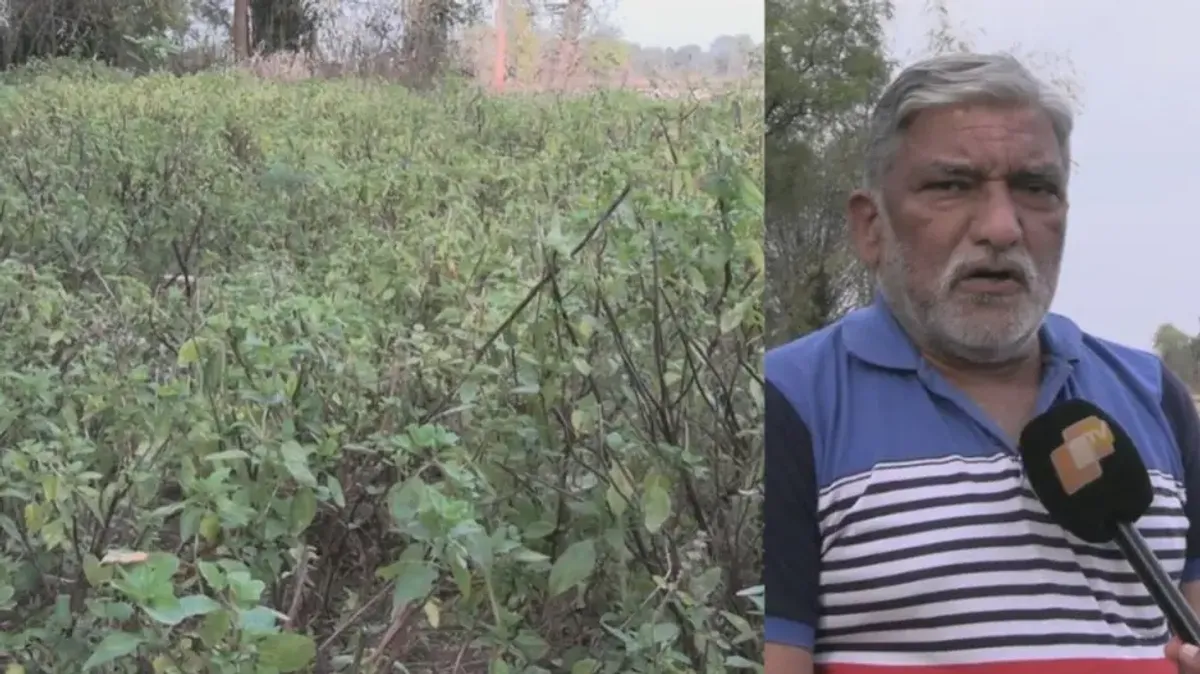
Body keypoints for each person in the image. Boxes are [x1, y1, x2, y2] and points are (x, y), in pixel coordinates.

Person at [763, 52, 1200, 674]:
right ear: (870, 226)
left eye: (1035, 188)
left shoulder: (1155, 394)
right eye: (952, 185)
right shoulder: (789, 399)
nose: (1002, 227)